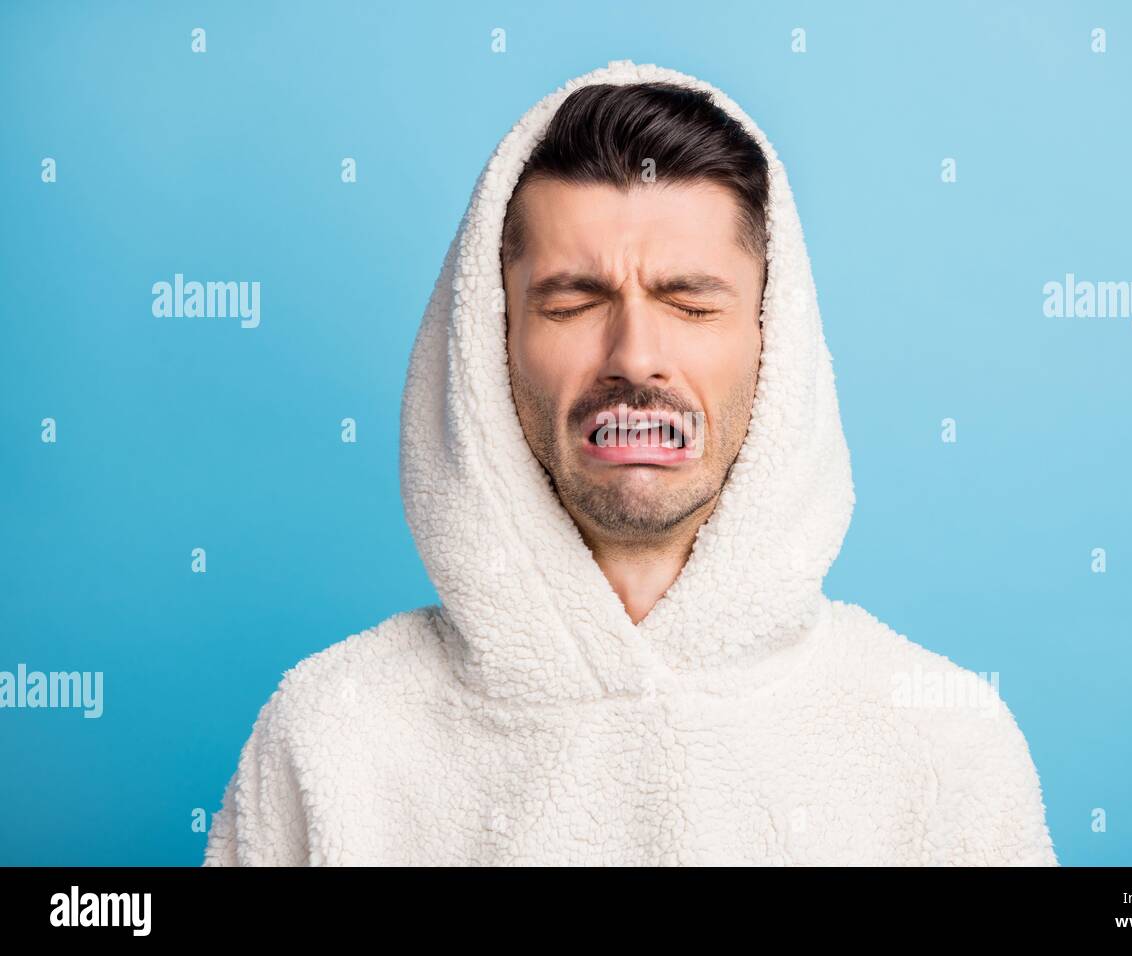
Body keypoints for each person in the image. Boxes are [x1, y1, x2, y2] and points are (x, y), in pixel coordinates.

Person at [203, 59, 1058, 866]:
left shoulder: (946, 748)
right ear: (489, 341)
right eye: (574, 302)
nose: (635, 356)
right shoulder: (328, 736)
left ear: (774, 342)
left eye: (690, 304)